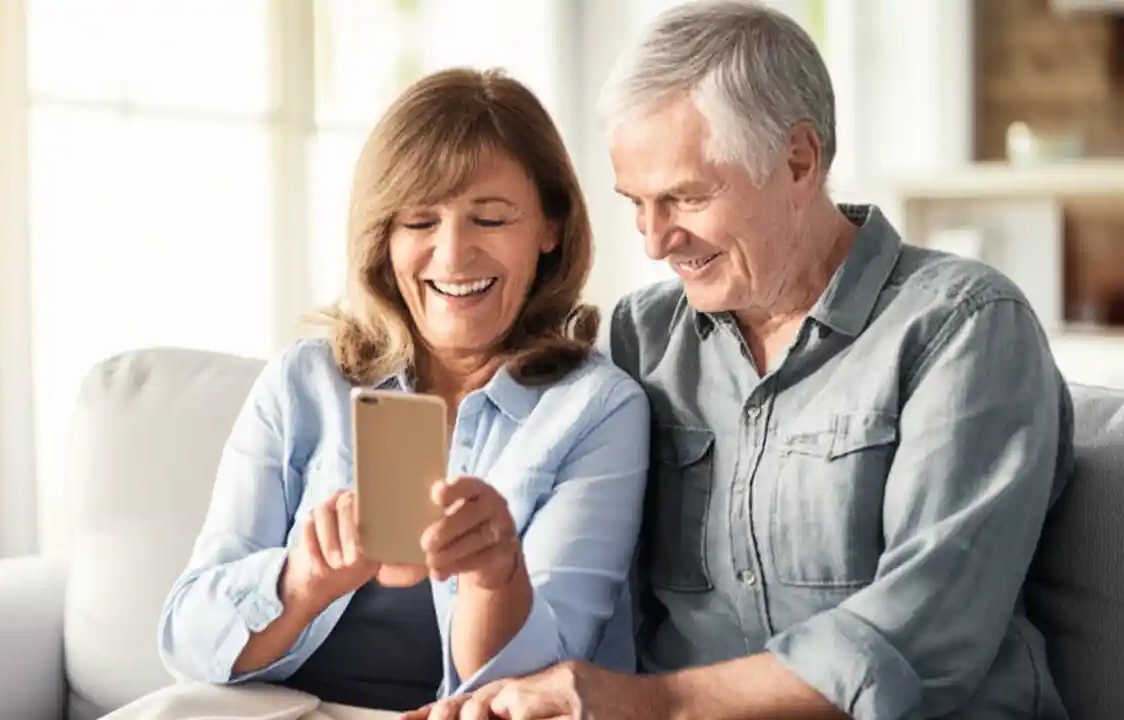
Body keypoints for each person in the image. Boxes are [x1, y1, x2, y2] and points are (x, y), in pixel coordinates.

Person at [403, 3, 1074, 719]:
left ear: (797, 161)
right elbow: (594, 598)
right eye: (636, 202)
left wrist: (649, 703)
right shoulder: (645, 337)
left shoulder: (962, 329)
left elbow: (919, 640)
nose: (657, 241)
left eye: (686, 197)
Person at [157, 68, 650, 713]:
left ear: (549, 227)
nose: (453, 256)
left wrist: (492, 576)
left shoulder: (595, 410)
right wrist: (304, 581)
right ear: (384, 237)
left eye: (491, 218)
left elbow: (542, 690)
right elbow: (186, 637)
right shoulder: (305, 384)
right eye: (419, 222)